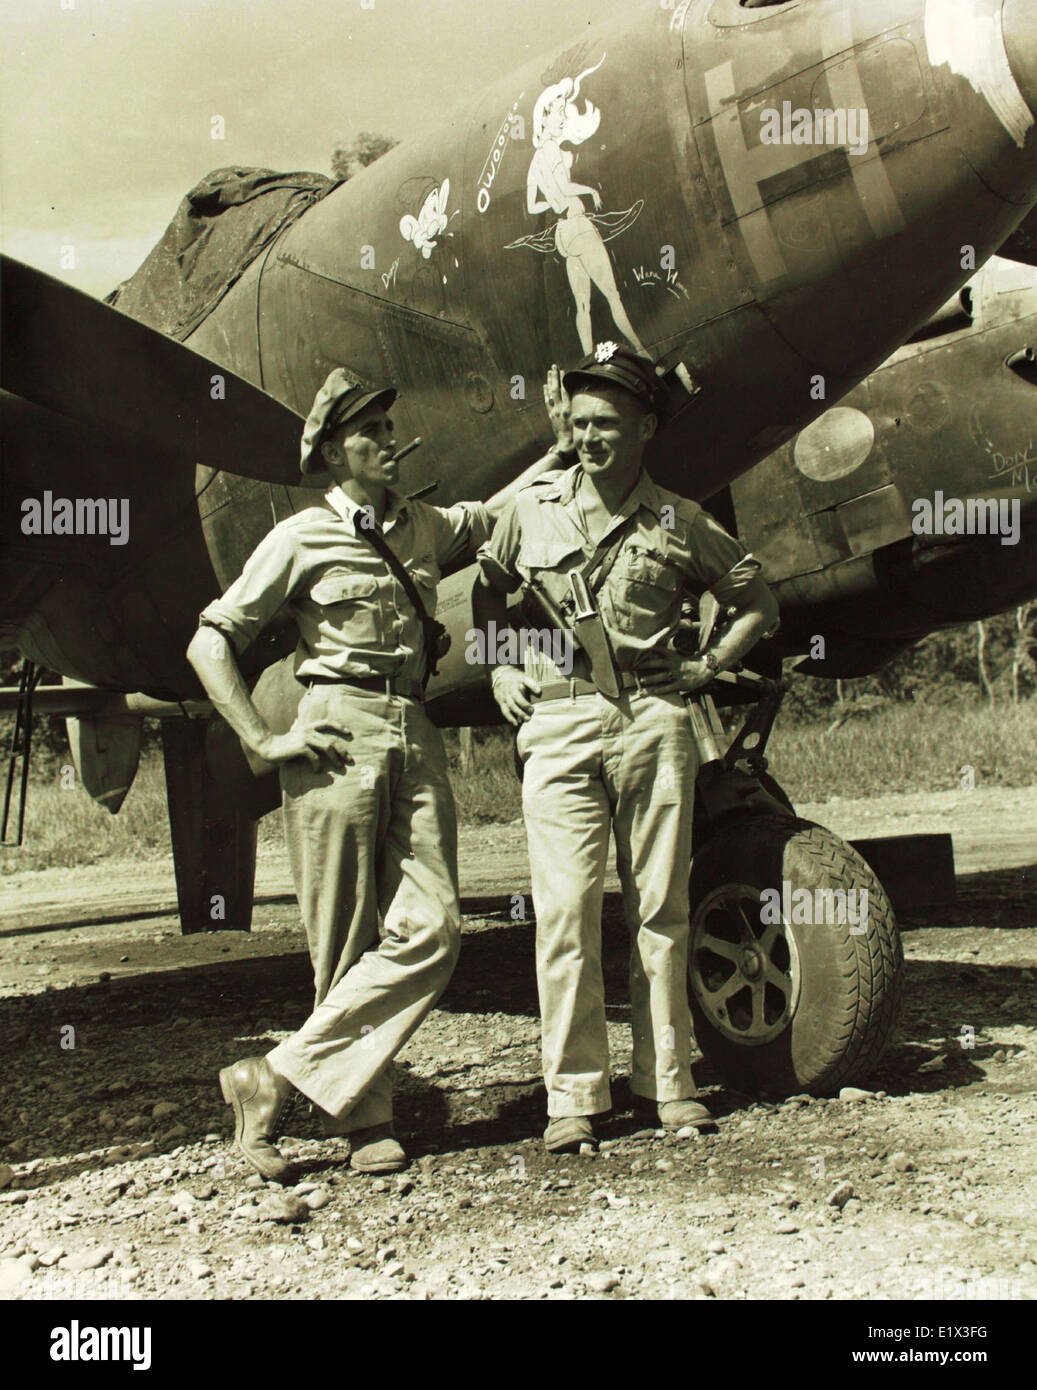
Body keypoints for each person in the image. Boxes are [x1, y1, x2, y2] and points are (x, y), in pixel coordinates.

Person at [187, 367, 501, 1180]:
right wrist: (262, 740)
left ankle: (273, 1075)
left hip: (415, 728)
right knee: (342, 938)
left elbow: (504, 515)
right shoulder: (298, 537)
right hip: (333, 730)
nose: (389, 443)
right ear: (332, 452)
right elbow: (209, 642)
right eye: (369, 434)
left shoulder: (426, 525)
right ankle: (365, 1122)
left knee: (435, 929)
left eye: (389, 431)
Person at [473, 344, 780, 1154]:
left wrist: (707, 665)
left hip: (652, 716)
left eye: (606, 422)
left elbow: (756, 600)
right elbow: (487, 588)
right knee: (566, 912)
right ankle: (574, 1095)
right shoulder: (528, 507)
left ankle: (667, 1085)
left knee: (659, 909)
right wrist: (500, 663)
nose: (588, 436)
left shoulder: (679, 519)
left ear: (645, 425)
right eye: (577, 422)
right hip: (558, 721)